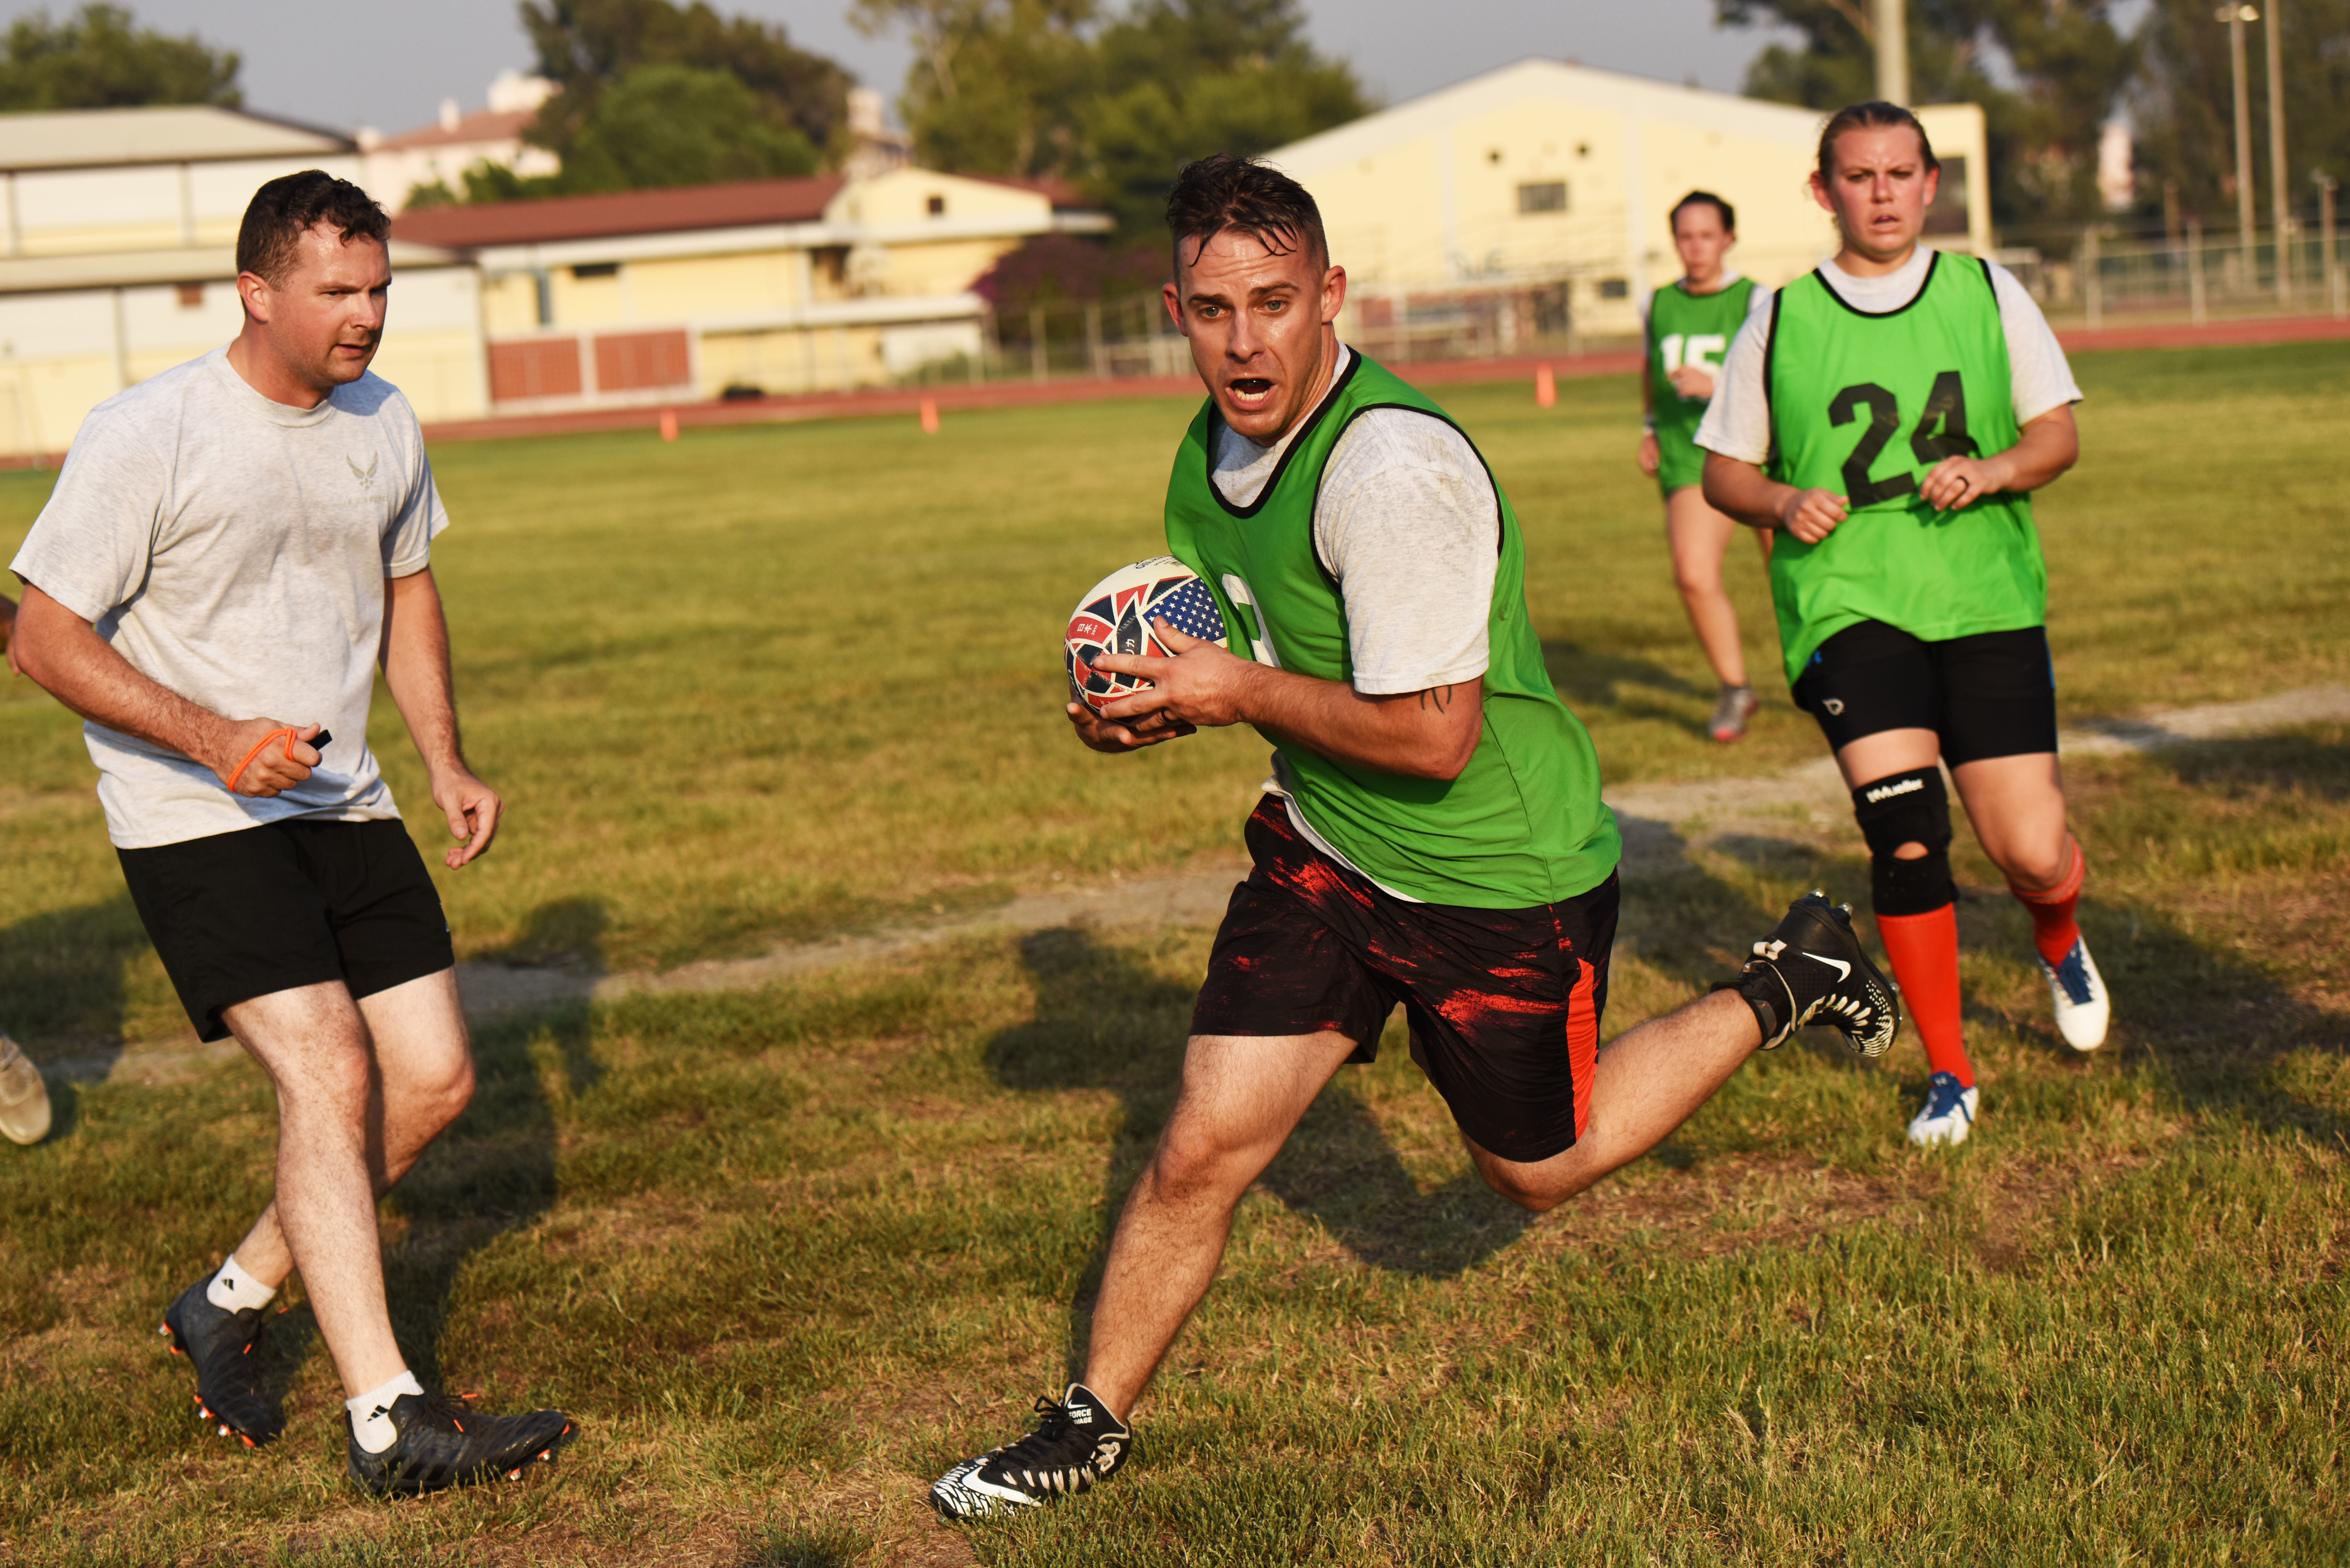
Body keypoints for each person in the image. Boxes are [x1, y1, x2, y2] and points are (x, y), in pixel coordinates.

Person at [927, 154, 1903, 1522]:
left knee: (1537, 1170)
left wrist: (1235, 694)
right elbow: (1238, 650)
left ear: (1333, 294)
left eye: (1276, 301)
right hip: (1327, 848)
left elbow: (1434, 734)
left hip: (1497, 871)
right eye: (1214, 308)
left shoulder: (1390, 468)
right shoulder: (1207, 451)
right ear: (1174, 309)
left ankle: (1795, 976)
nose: (1246, 339)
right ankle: (1089, 1423)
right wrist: (1150, 708)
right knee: (1202, 1142)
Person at [7, 171, 573, 1494]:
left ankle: (227, 1298)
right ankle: (389, 1415)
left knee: (430, 1080)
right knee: (326, 1066)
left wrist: (441, 757)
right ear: (257, 292)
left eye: (380, 289)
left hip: (346, 797)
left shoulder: (385, 420)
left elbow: (407, 584)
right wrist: (214, 740)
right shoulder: (149, 431)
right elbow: (41, 638)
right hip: (195, 810)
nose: (368, 316)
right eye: (339, 292)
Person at [1697, 102, 2110, 1150]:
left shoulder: (1984, 289)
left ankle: (2056, 931)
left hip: (1984, 597)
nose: (1879, 192)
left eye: (1898, 173)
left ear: (1931, 184)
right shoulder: (1780, 317)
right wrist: (1784, 504)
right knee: (1904, 826)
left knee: (2029, 846)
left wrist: (1999, 469)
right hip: (1849, 600)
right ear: (1822, 189)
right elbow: (1724, 472)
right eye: (1857, 174)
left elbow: (2056, 435)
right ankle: (1950, 1071)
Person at [1636, 192, 1775, 742]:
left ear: (1729, 239)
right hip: (1690, 455)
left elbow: (1776, 381)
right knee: (1693, 574)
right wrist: (1649, 424)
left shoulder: (1756, 299)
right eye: (1685, 237)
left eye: (1706, 236)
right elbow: (1648, 367)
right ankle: (1736, 686)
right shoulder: (1657, 303)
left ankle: (1828, 673)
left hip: (1760, 451)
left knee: (1787, 570)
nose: (1695, 248)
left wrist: (1717, 386)